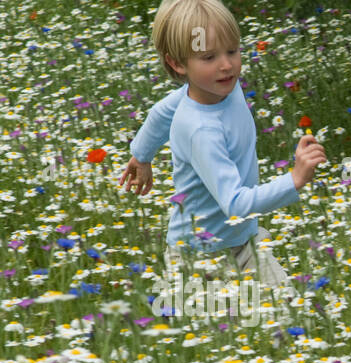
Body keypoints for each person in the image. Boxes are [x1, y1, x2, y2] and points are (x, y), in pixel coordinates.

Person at [119, 0, 324, 316]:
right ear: (177, 64)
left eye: (232, 50)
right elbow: (237, 205)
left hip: (244, 241)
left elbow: (161, 112)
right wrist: (294, 180)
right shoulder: (202, 130)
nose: (226, 65)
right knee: (212, 340)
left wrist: (141, 156)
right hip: (200, 259)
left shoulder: (220, 88)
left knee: (290, 316)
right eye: (209, 57)